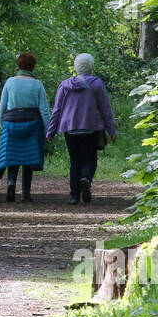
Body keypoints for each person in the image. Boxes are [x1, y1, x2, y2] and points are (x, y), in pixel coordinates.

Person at [46, 53, 117, 205]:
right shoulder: (97, 84)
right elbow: (105, 109)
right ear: (91, 66)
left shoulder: (65, 85)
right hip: (90, 128)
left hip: (70, 129)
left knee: (75, 161)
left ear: (76, 66)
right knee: (90, 159)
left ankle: (74, 195)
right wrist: (111, 130)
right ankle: (85, 178)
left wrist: (51, 131)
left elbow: (57, 110)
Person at [0, 52, 53, 202]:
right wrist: (48, 130)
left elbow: (2, 107)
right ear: (32, 67)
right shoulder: (37, 84)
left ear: (18, 65)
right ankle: (26, 193)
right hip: (32, 124)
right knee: (28, 158)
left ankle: (11, 184)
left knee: (12, 157)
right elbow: (44, 110)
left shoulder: (10, 82)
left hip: (11, 123)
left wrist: (2, 124)